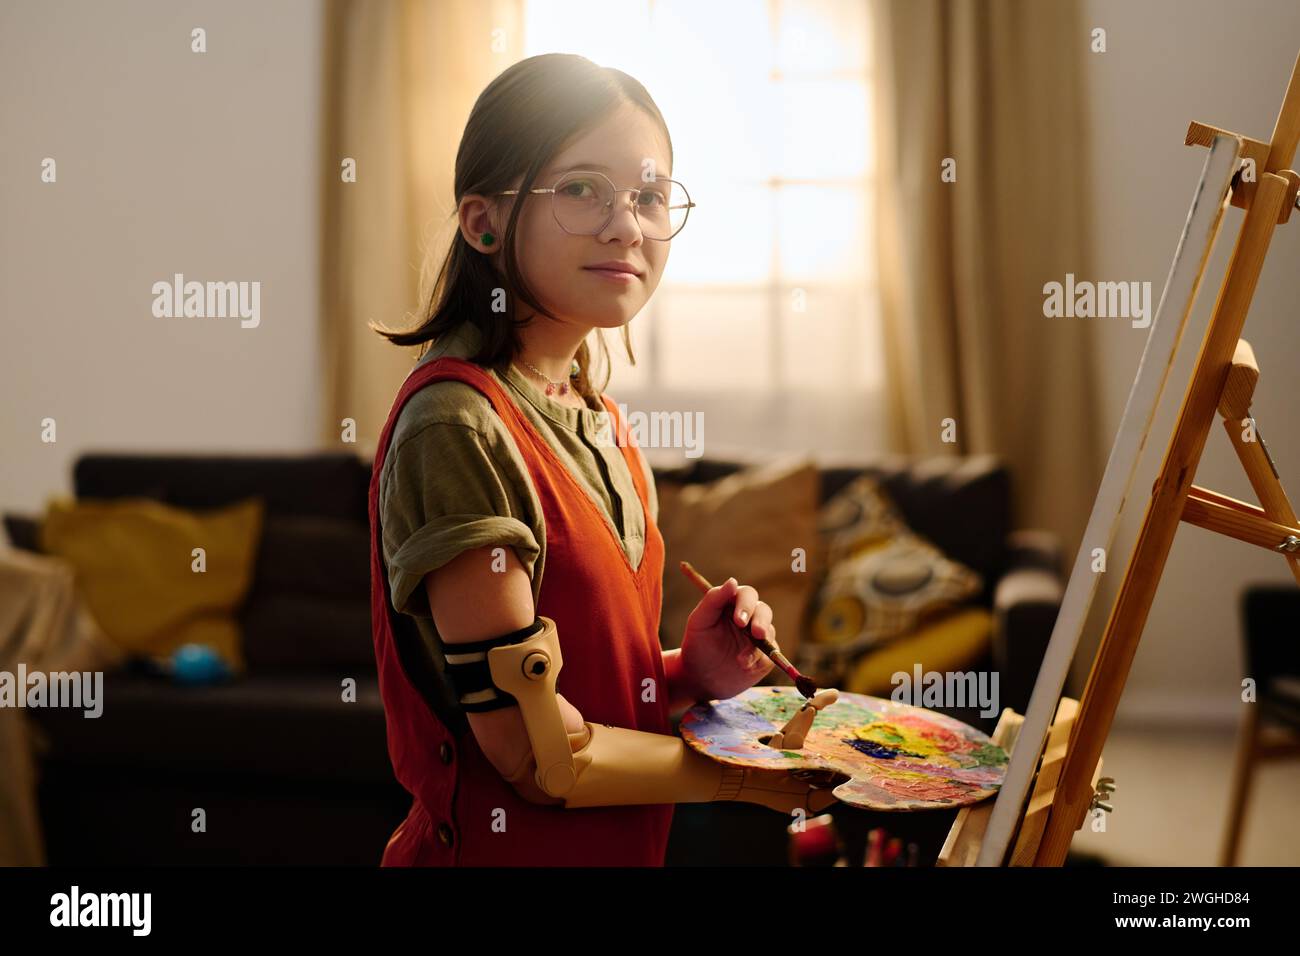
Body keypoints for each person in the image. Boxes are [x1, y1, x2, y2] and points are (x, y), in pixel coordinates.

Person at [369, 53, 832, 867]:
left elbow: (573, 688)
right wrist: (755, 777)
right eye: (582, 189)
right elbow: (539, 752)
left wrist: (689, 672)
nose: (627, 226)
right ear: (483, 223)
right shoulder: (456, 426)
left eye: (650, 197)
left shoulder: (605, 421)